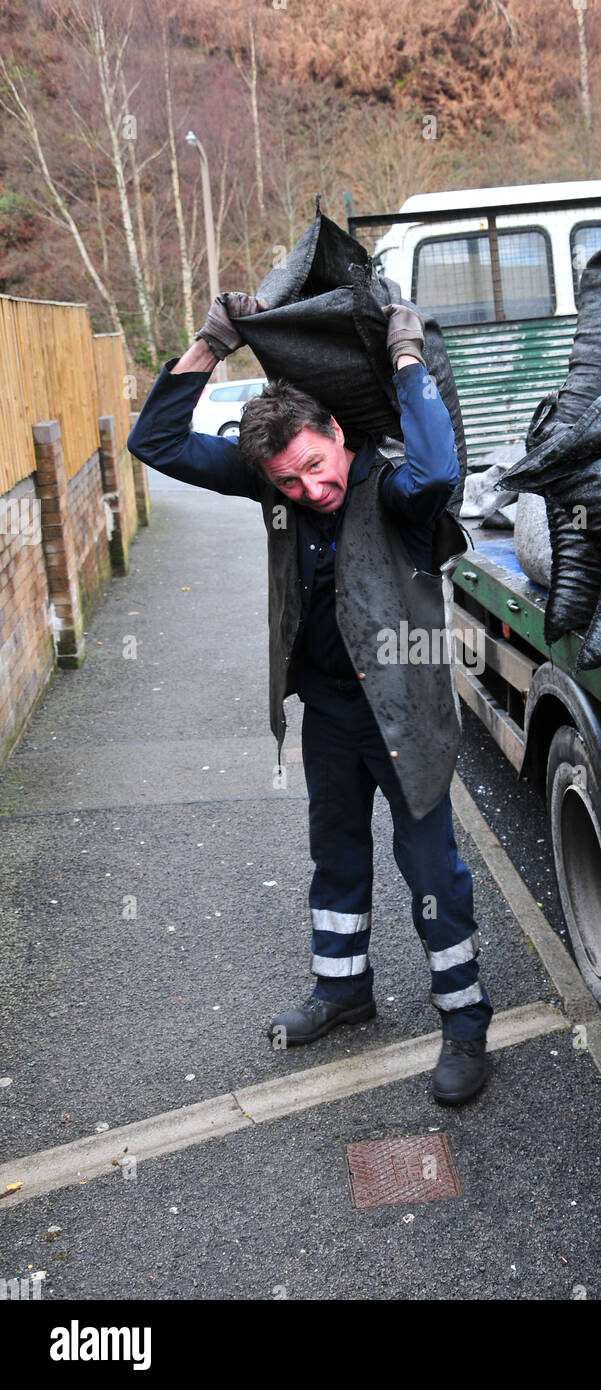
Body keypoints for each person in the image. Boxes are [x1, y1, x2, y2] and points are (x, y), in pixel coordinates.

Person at [127, 291, 493, 1104]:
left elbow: (439, 471)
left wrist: (407, 359)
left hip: (404, 713)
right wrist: (209, 342)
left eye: (315, 468)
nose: (309, 491)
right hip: (326, 708)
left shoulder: (390, 487)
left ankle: (465, 1025)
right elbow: (151, 440)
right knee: (335, 854)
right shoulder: (273, 484)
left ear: (334, 433)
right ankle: (342, 991)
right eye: (288, 482)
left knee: (430, 867)